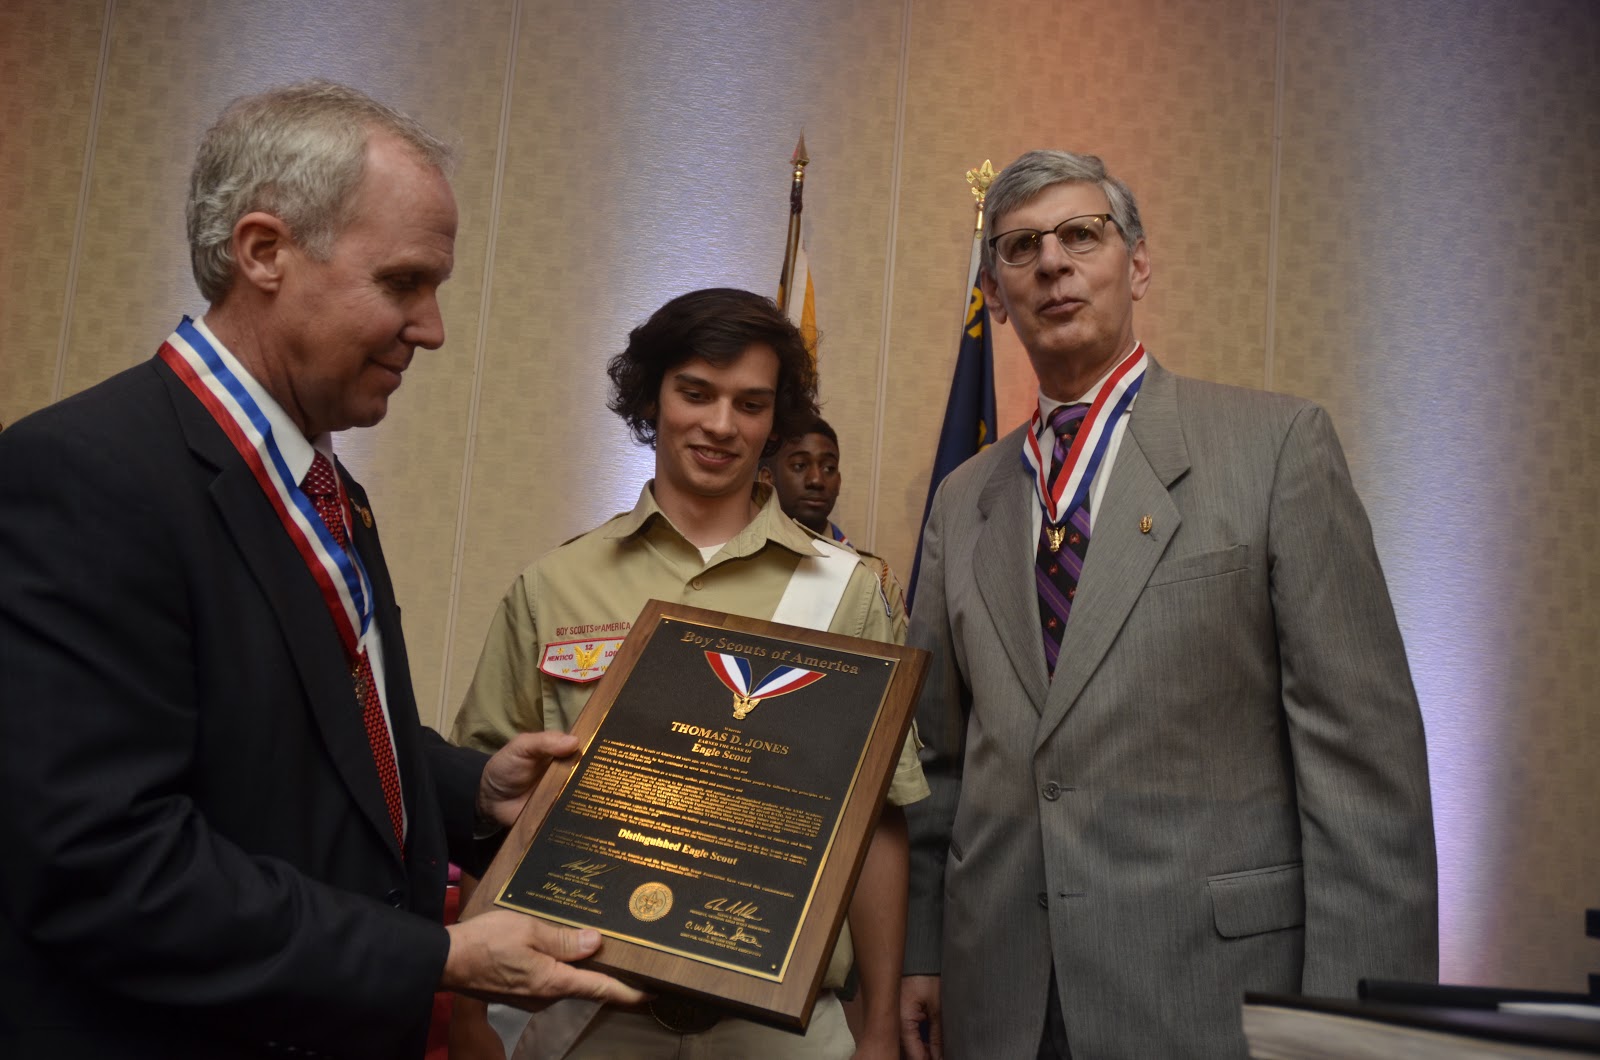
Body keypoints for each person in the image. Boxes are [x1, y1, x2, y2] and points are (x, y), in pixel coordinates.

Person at [0, 80, 642, 1060]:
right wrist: (429, 956)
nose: (431, 328)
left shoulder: (321, 478)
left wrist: (473, 790)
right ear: (264, 253)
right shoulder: (87, 475)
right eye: (402, 283)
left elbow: (298, 734)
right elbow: (103, 865)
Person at [898, 151, 1438, 1059]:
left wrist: (1354, 1032)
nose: (1053, 263)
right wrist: (922, 951)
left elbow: (1365, 777)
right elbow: (940, 764)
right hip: (1000, 997)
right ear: (994, 292)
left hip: (1207, 995)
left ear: (1137, 265)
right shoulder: (963, 500)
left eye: (1082, 234)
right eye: (1021, 247)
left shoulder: (1276, 451)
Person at [449, 287, 928, 1060]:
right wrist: (471, 1016)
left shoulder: (850, 592)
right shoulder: (553, 585)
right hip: (585, 1020)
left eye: (750, 403)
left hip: (783, 1032)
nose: (719, 425)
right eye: (696, 393)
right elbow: (481, 813)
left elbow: (877, 824)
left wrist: (876, 1031)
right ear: (652, 396)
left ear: (777, 420)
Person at [761, 417, 908, 639]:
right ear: (766, 478)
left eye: (829, 468)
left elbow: (900, 669)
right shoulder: (740, 561)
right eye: (800, 466)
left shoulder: (874, 576)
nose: (817, 480)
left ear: (839, 482)